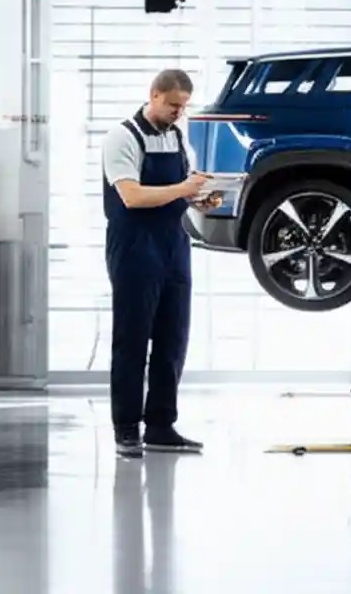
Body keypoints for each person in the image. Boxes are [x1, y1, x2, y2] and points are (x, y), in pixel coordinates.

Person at [101, 69, 216, 456]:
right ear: (153, 95)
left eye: (182, 107)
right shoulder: (122, 137)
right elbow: (131, 196)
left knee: (173, 338)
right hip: (134, 247)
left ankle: (161, 425)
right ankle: (127, 428)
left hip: (174, 245)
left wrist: (200, 199)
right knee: (132, 339)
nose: (178, 113)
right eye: (172, 105)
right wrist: (183, 189)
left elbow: (179, 192)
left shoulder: (177, 137)